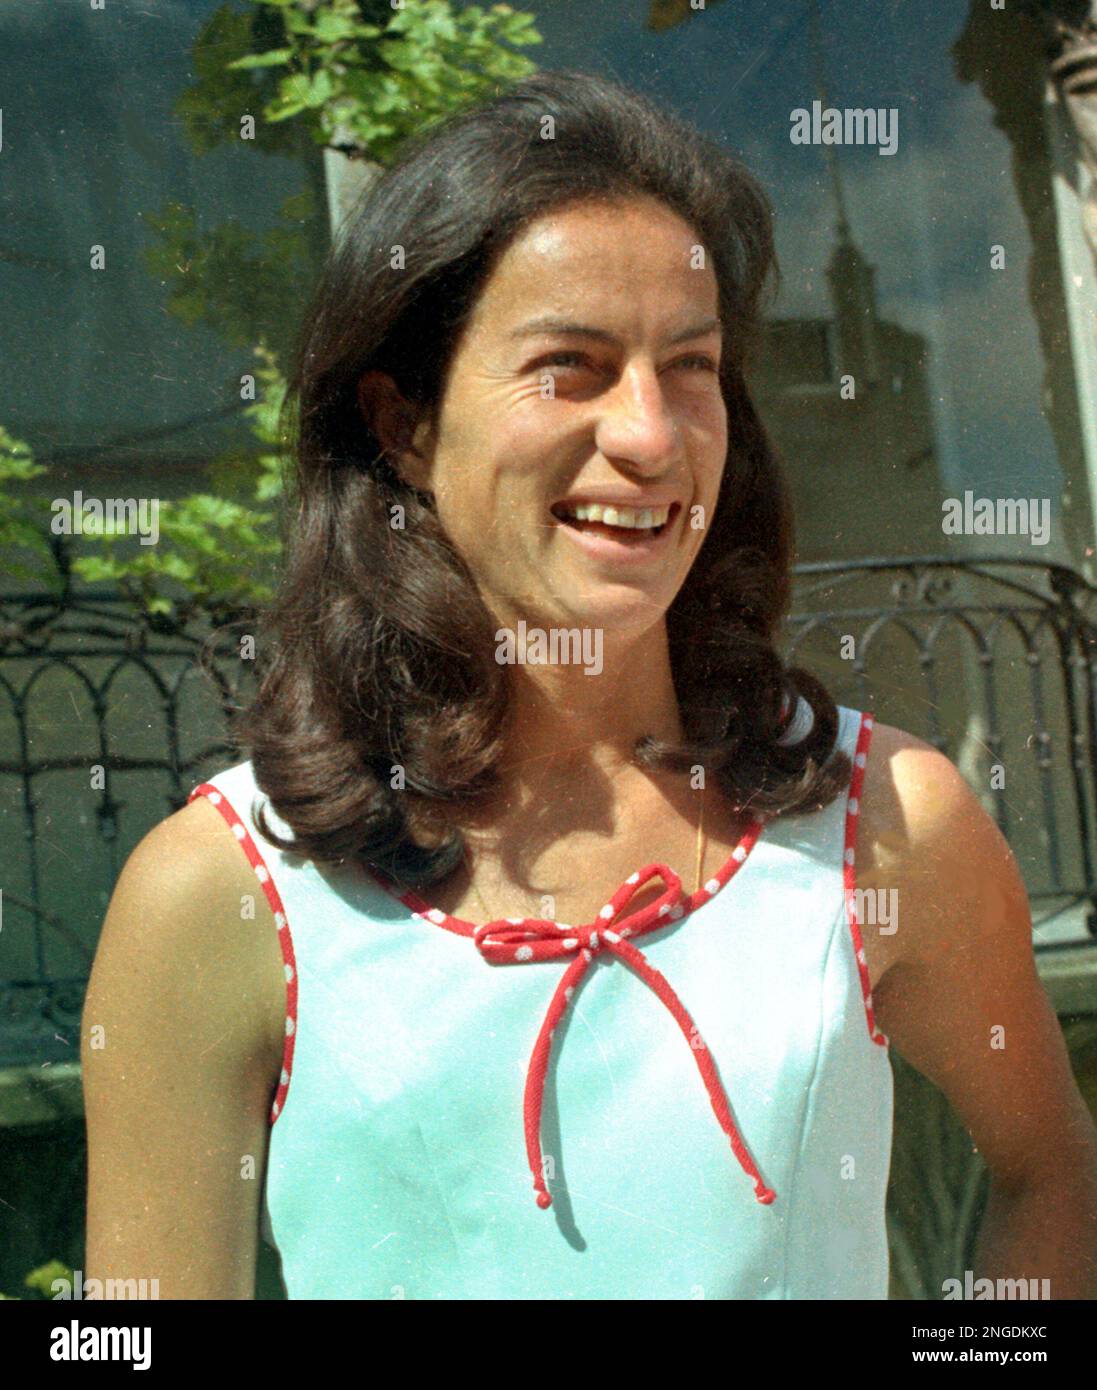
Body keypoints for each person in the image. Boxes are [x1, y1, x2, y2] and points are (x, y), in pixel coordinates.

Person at [82, 69, 1097, 1300]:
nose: (653, 435)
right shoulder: (226, 889)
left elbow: (1052, 1173)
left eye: (690, 365)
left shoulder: (885, 824)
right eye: (570, 365)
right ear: (403, 424)